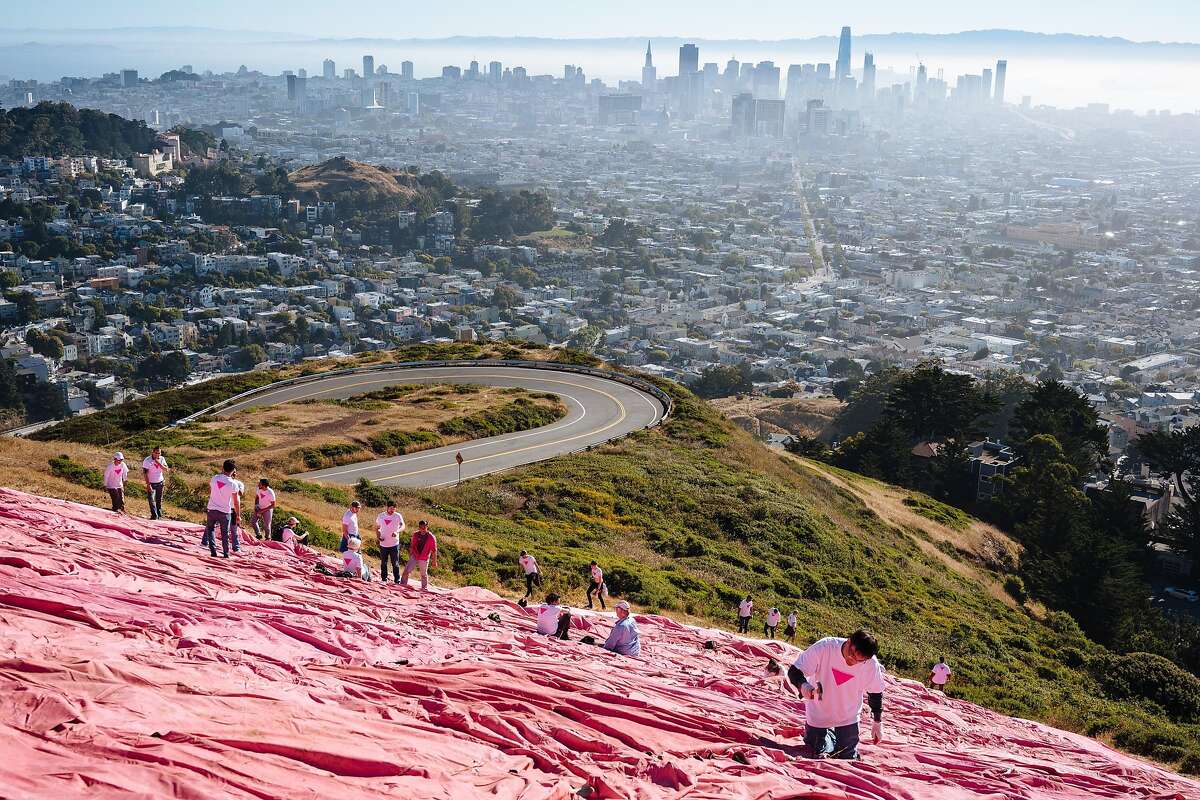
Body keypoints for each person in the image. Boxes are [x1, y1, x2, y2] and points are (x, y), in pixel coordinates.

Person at [786, 630, 885, 760]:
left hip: (848, 715)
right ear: (848, 641)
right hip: (818, 712)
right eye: (851, 654)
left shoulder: (871, 665)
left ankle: (834, 736)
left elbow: (876, 692)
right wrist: (803, 686)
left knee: (847, 757)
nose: (851, 661)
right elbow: (794, 671)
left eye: (858, 660)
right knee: (817, 752)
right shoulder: (825, 647)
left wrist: (877, 722)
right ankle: (829, 736)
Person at [202, 459, 239, 558]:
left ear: (222, 468)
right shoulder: (233, 484)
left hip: (212, 508)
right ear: (233, 470)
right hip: (225, 511)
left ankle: (213, 551)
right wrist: (238, 514)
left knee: (210, 529)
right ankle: (226, 553)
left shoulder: (214, 478)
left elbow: (211, 490)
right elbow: (236, 501)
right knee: (225, 534)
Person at [400, 519, 438, 590]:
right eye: (421, 527)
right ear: (419, 527)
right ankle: (402, 585)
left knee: (423, 574)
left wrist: (434, 561)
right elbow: (412, 545)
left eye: (424, 527)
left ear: (427, 527)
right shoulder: (416, 534)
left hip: (424, 557)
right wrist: (411, 554)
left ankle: (424, 588)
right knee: (406, 571)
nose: (422, 529)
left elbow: (434, 550)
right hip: (415, 555)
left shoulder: (431, 537)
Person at [376, 500, 406, 584]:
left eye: (394, 509)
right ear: (387, 508)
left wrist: (397, 531)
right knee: (383, 563)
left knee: (395, 563)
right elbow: (377, 527)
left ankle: (397, 580)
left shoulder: (398, 516)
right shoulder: (381, 516)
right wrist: (378, 536)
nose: (392, 510)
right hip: (383, 544)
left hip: (394, 544)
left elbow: (403, 526)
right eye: (391, 508)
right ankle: (384, 579)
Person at [141, 446, 169, 520]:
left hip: (160, 482)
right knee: (151, 500)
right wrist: (148, 484)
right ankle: (154, 516)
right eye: (156, 453)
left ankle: (159, 515)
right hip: (151, 483)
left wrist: (158, 463)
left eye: (159, 453)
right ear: (152, 452)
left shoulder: (162, 459)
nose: (157, 454)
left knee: (159, 500)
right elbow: (145, 473)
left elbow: (166, 469)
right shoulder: (147, 460)